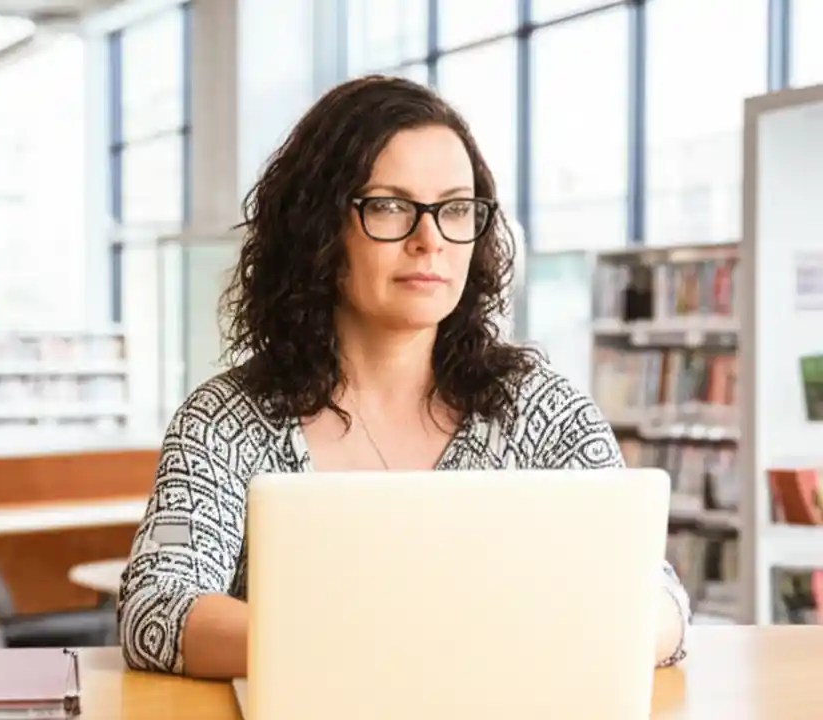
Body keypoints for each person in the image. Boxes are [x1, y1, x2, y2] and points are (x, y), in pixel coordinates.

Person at [116, 76, 690, 678]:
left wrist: (554, 637)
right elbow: (157, 612)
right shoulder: (226, 420)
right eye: (389, 206)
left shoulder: (543, 413)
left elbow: (663, 603)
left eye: (455, 208)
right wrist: (393, 648)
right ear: (317, 229)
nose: (430, 239)